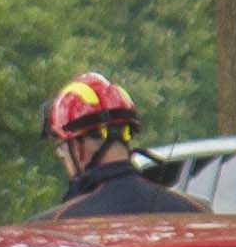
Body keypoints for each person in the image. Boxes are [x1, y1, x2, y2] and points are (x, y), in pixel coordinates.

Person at [32, 73, 206, 219]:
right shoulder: (193, 211)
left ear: (78, 149)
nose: (63, 160)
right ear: (126, 134)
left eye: (62, 150)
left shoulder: (59, 224)